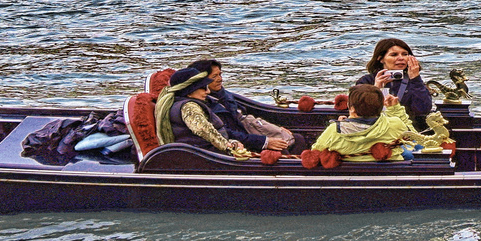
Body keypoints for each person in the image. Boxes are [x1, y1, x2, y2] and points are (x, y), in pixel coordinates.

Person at [154, 59, 292, 159]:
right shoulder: (188, 107)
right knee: (281, 152)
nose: (207, 92)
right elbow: (204, 130)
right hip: (208, 157)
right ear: (189, 91)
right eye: (203, 87)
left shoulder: (192, 102)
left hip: (213, 153)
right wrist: (229, 146)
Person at [309, 84, 422, 161]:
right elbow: (413, 136)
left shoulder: (334, 130)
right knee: (415, 148)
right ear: (380, 107)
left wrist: (345, 123)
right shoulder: (395, 124)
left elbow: (315, 152)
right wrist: (395, 109)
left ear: (352, 108)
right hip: (393, 178)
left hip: (349, 180)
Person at [354, 37, 434, 120]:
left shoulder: (414, 82)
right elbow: (359, 112)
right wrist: (375, 90)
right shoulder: (366, 81)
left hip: (407, 126)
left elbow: (423, 110)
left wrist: (416, 79)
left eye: (405, 54)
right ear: (381, 59)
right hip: (376, 126)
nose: (401, 58)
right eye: (394, 55)